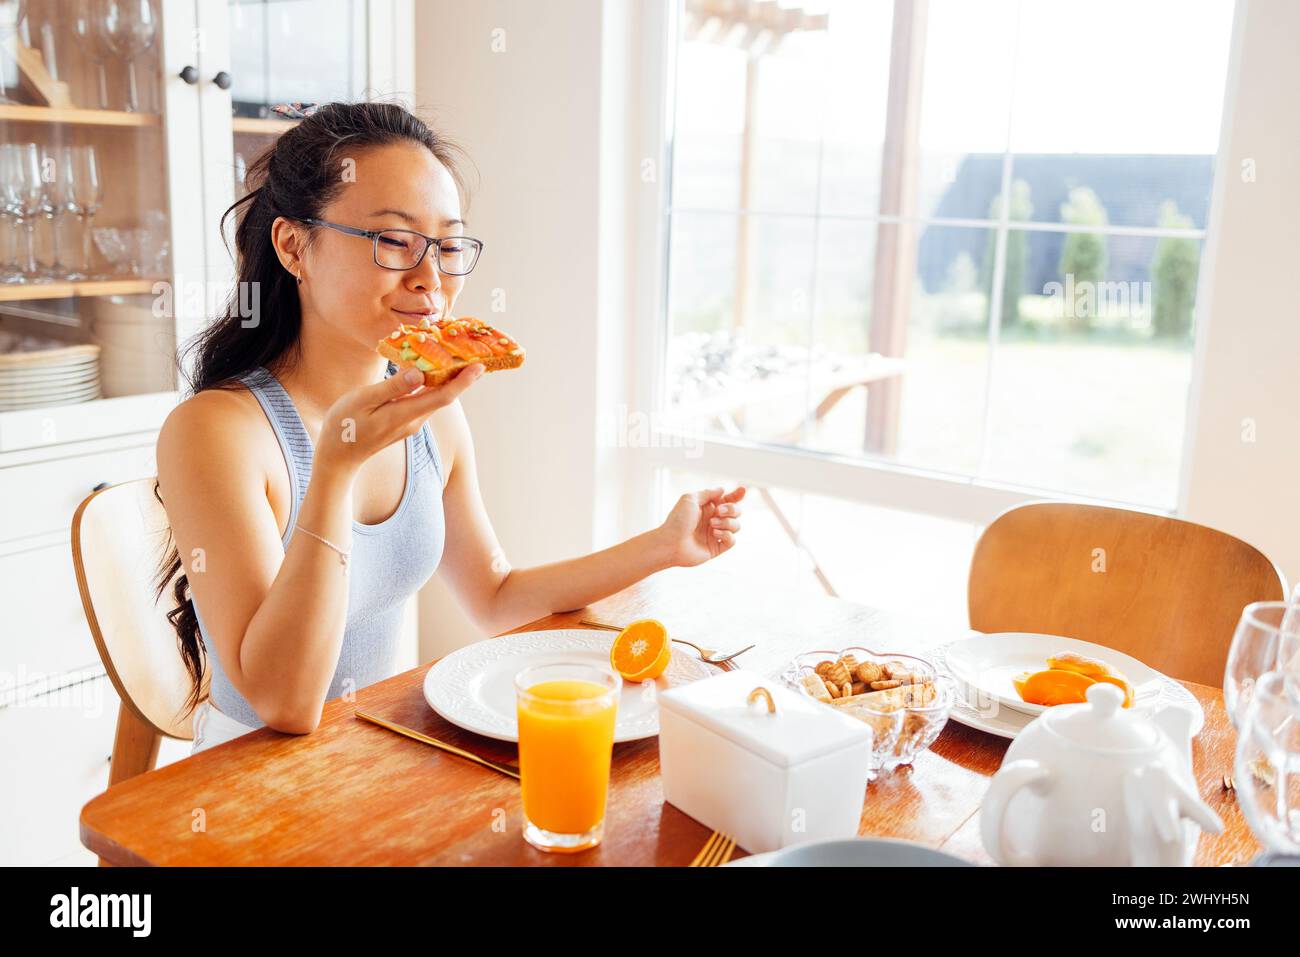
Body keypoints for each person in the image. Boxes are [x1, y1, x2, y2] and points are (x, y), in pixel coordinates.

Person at [153, 102, 746, 754]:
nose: (430, 279)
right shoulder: (216, 431)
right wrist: (335, 469)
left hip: (377, 751)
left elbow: (496, 596)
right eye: (394, 241)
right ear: (294, 246)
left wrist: (664, 544)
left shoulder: (431, 415)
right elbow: (285, 704)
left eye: (449, 246)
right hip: (246, 781)